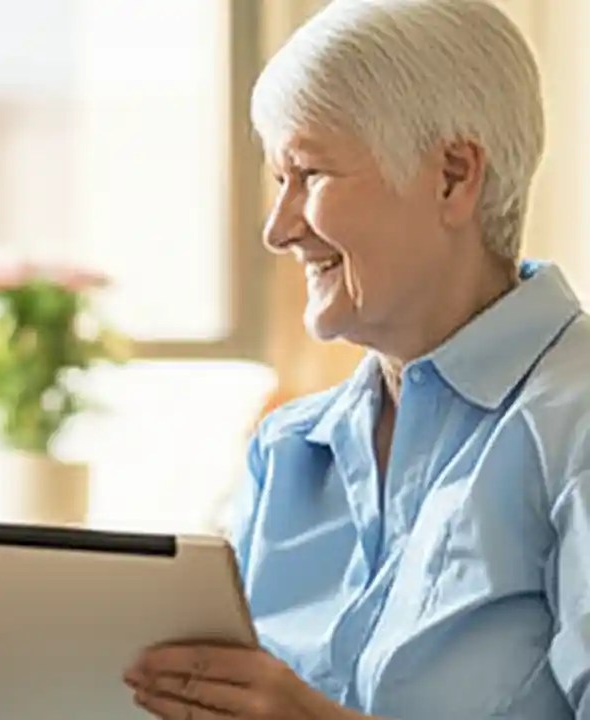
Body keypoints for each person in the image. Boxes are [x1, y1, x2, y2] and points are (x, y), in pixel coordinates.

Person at [124, 1, 589, 718]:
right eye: (278, 181)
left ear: (453, 176)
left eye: (308, 173)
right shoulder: (287, 451)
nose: (279, 229)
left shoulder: (573, 424)